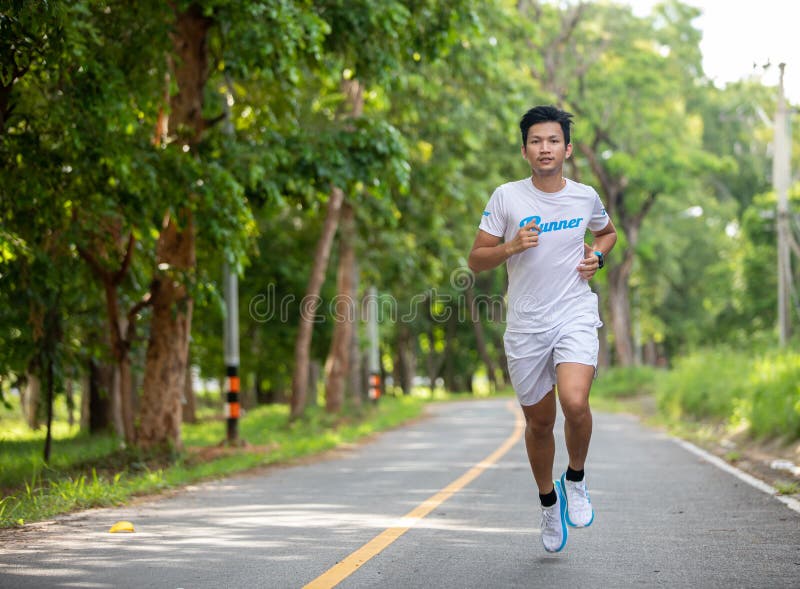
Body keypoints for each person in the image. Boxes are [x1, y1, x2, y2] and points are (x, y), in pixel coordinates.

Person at [467, 105, 617, 553]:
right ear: (524, 150)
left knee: (575, 401)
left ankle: (576, 477)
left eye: (553, 140)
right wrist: (511, 246)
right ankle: (548, 502)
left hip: (573, 312)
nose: (545, 148)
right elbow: (476, 258)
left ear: (567, 149)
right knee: (538, 423)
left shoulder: (584, 196)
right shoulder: (506, 198)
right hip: (527, 324)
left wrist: (598, 256)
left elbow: (607, 233)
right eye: (536, 141)